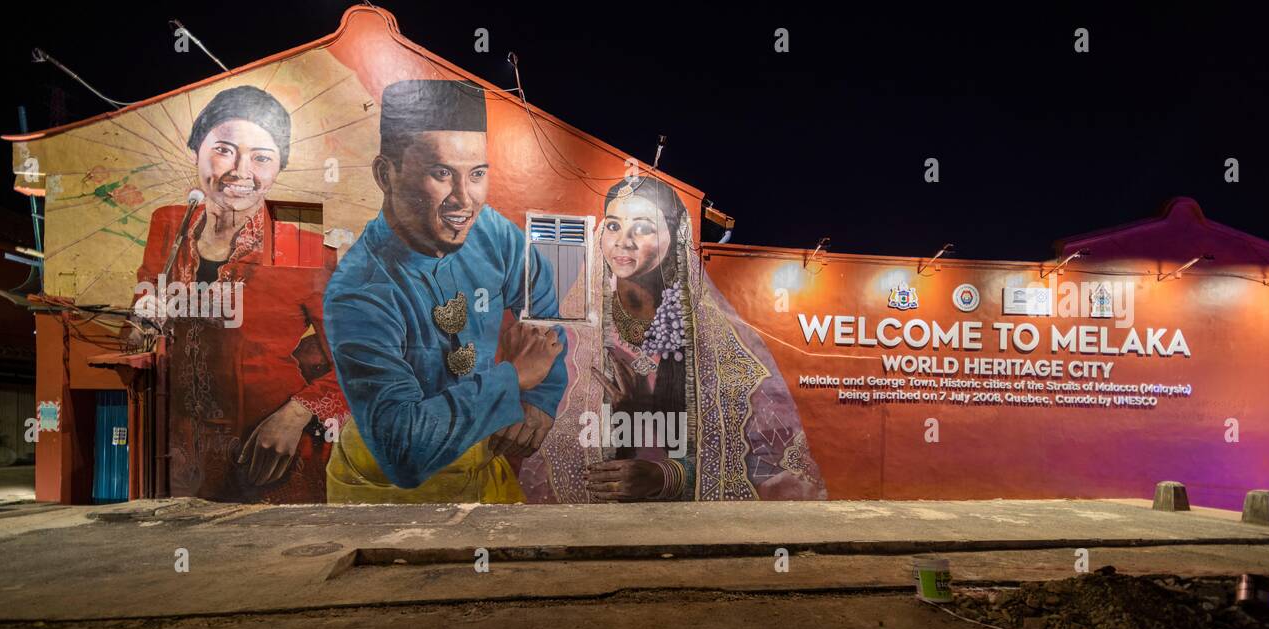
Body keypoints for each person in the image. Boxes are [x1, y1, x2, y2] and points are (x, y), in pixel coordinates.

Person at [322, 78, 568, 503]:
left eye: (476, 175)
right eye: (440, 173)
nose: (464, 199)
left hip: (481, 469)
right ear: (386, 174)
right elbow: (402, 450)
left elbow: (542, 303)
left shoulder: (491, 233)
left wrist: (541, 398)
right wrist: (512, 380)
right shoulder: (359, 290)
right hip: (386, 493)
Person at [518, 176, 827, 502]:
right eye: (613, 226)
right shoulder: (576, 341)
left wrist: (671, 475)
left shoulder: (712, 345)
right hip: (594, 529)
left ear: (675, 238)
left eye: (643, 228)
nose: (624, 241)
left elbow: (763, 459)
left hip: (680, 527)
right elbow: (548, 451)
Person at [133, 85, 346, 502]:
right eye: (225, 150)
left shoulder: (302, 246)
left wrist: (295, 415)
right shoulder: (168, 225)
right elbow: (142, 308)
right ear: (196, 149)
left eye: (261, 157)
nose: (240, 171)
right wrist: (141, 315)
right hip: (178, 453)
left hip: (270, 452)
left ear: (279, 166)